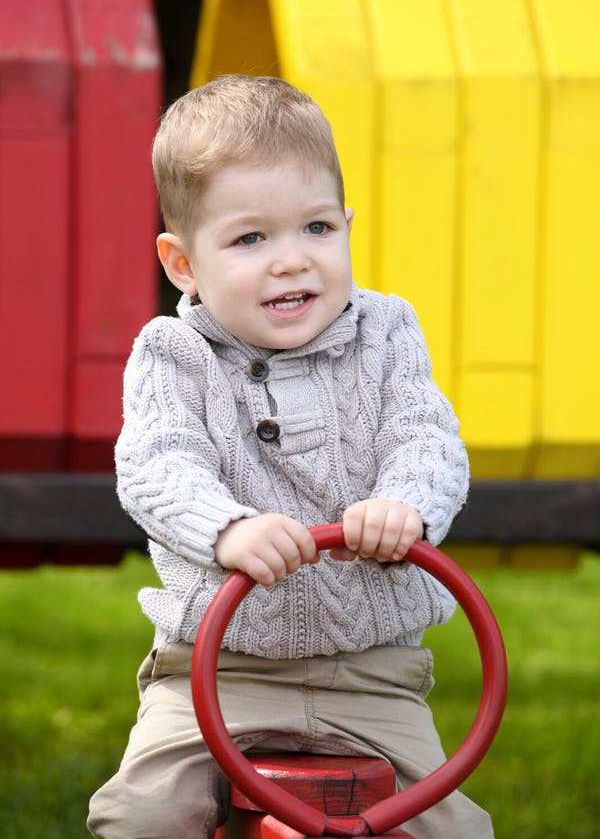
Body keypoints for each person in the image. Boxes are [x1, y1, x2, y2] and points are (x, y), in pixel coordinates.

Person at [88, 74, 493, 839]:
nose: (292, 261)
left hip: (373, 675)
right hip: (216, 672)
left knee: (456, 829)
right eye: (250, 238)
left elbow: (427, 437)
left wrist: (404, 503)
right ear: (183, 263)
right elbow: (156, 463)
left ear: (345, 225)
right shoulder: (175, 355)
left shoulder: (386, 335)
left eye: (315, 229)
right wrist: (227, 529)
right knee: (139, 817)